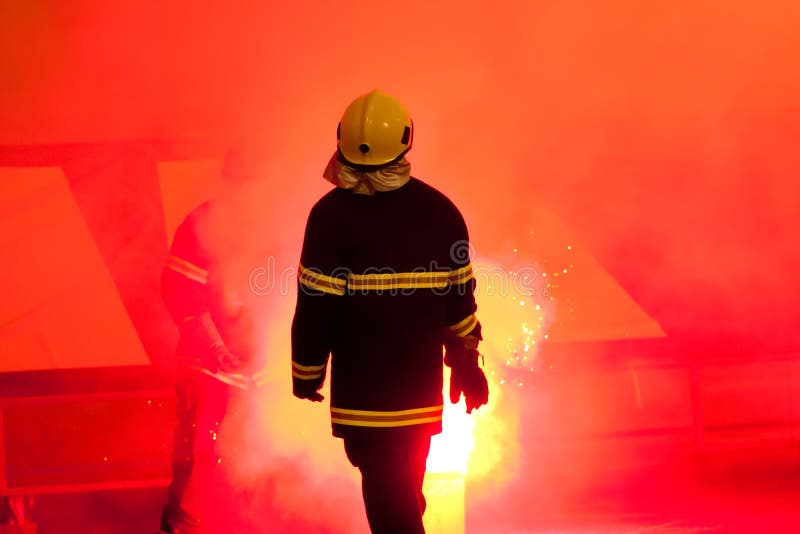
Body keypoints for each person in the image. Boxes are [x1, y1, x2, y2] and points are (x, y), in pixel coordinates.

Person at [291, 89, 489, 533]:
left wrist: (306, 372)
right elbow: (459, 301)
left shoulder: (329, 216)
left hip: (362, 401)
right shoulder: (441, 212)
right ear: (406, 139)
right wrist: (465, 362)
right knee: (402, 495)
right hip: (418, 400)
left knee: (391, 503)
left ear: (342, 138)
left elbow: (315, 305)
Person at [158, 147, 267, 534]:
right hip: (207, 376)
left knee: (256, 481)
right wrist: (217, 351)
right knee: (200, 470)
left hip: (259, 383)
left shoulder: (276, 229)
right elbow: (178, 291)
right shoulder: (202, 225)